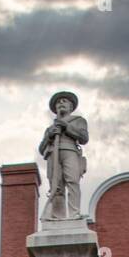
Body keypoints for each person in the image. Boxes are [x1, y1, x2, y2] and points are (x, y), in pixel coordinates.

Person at [39, 91, 88, 220]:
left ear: (71, 107)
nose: (61, 103)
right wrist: (49, 136)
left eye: (64, 101)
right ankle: (57, 216)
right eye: (58, 102)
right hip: (53, 154)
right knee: (56, 186)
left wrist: (66, 127)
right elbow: (41, 148)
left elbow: (84, 138)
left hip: (70, 150)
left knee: (73, 181)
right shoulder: (50, 128)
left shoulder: (78, 121)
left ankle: (74, 213)